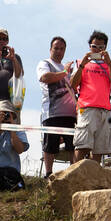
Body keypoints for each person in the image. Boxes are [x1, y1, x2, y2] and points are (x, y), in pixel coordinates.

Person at [69, 30, 111, 163]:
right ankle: (73, 177)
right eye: (94, 46)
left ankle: (92, 179)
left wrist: (109, 63)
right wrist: (84, 64)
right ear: (89, 46)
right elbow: (73, 84)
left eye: (100, 47)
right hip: (87, 108)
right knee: (82, 146)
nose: (96, 49)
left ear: (105, 48)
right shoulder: (81, 62)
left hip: (105, 110)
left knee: (99, 150)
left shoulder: (110, 65)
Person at [36, 36, 76, 178]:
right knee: (50, 145)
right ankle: (48, 174)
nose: (59, 51)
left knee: (73, 145)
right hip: (52, 112)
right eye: (56, 48)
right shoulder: (45, 63)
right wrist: (65, 72)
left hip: (70, 113)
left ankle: (73, 175)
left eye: (62, 49)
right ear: (50, 49)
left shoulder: (67, 68)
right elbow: (45, 77)